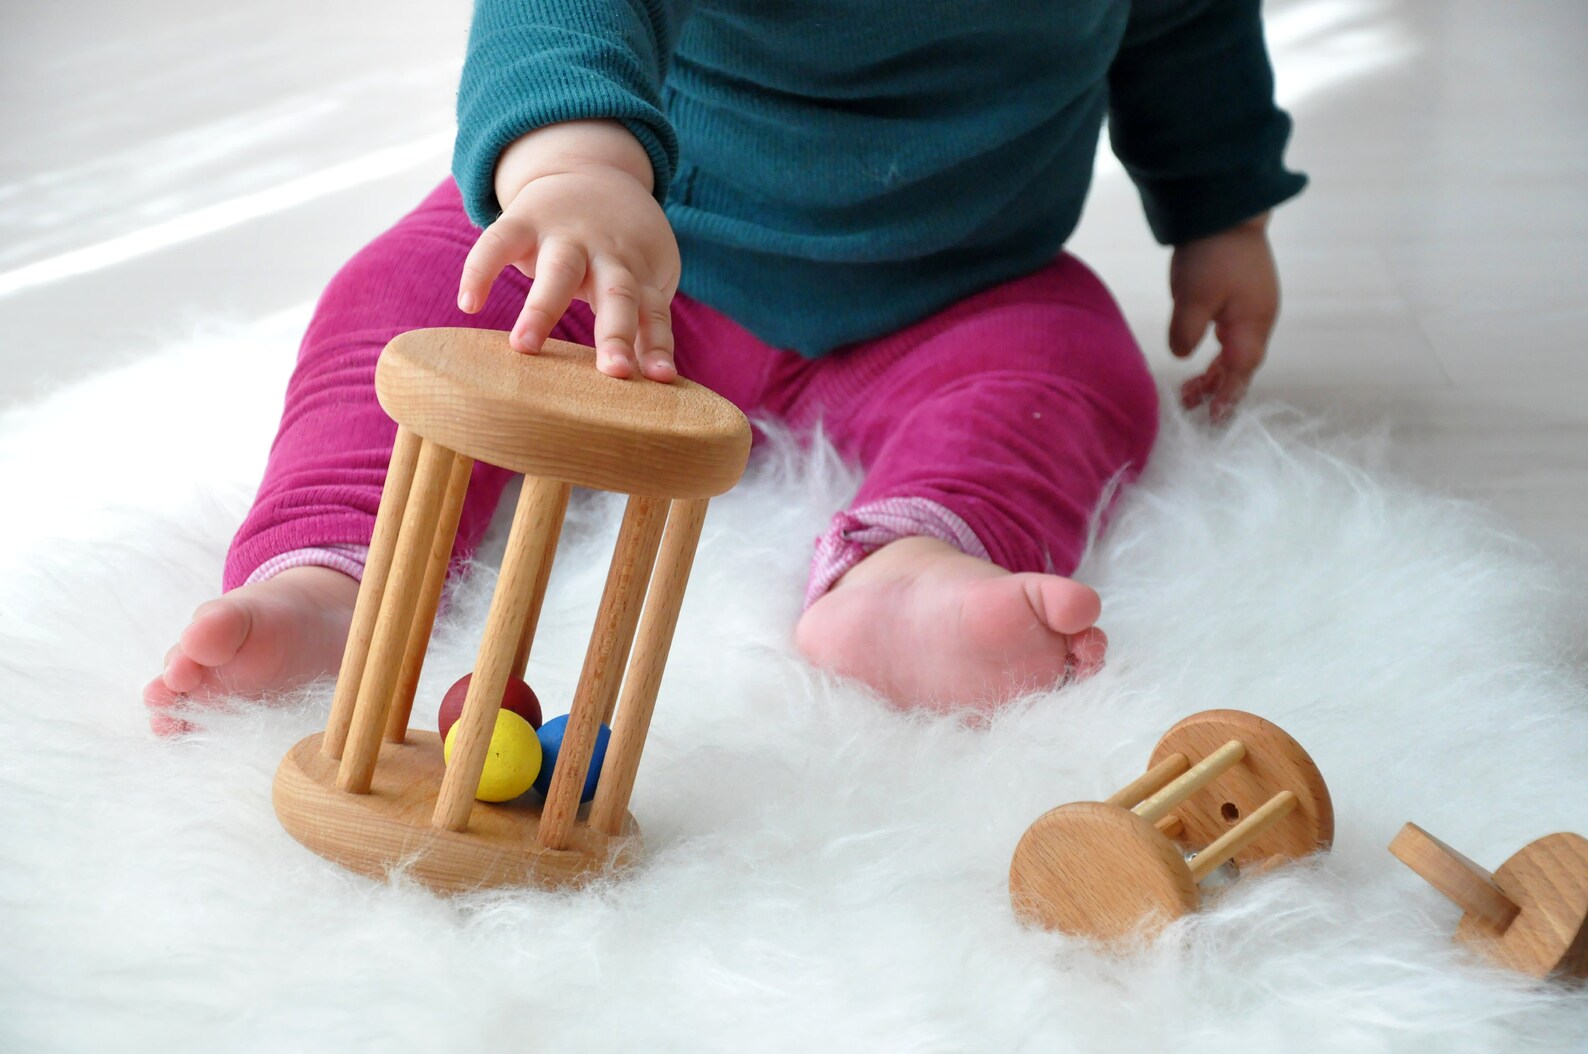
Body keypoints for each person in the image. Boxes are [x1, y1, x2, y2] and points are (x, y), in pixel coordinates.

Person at [144, 0, 1304, 733]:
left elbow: (1188, 33)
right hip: (633, 263)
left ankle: (907, 569)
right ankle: (332, 571)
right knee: (407, 299)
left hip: (950, 284)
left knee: (1073, 361)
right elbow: (561, 14)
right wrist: (575, 170)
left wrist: (1223, 214)